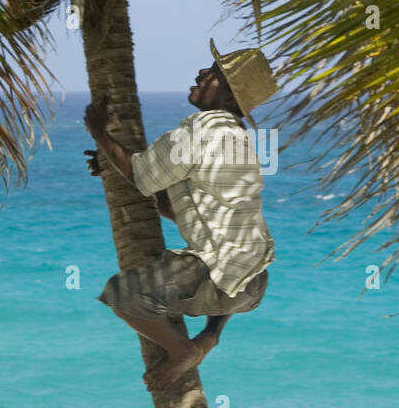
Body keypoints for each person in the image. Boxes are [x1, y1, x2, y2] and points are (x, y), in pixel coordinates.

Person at [84, 40, 277, 390]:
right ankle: (211, 336)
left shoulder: (202, 131)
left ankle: (182, 350)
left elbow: (141, 174)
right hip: (255, 285)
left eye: (215, 74)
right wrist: (112, 165)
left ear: (230, 99)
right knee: (231, 257)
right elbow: (174, 208)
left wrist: (99, 131)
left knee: (122, 294)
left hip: (216, 285)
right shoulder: (238, 139)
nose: (202, 73)